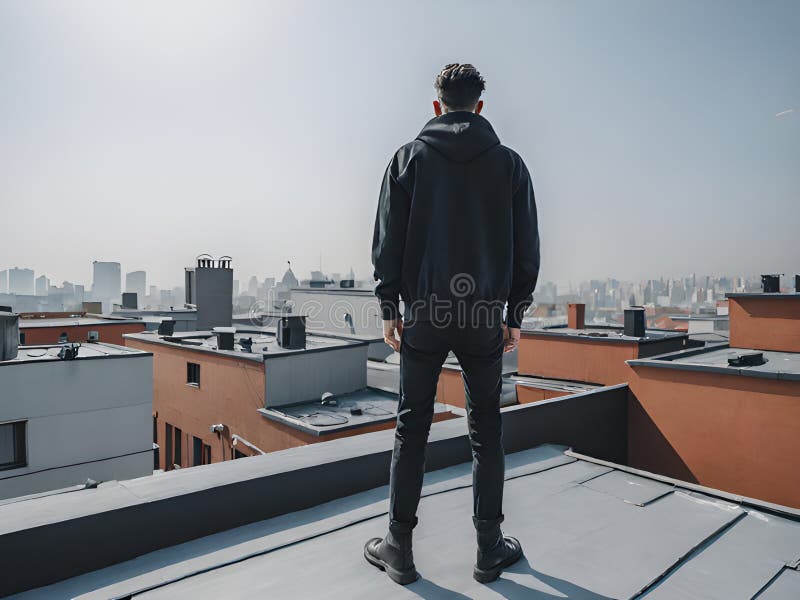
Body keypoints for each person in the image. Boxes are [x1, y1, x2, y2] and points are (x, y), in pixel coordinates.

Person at [364, 63, 540, 585]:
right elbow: (527, 246)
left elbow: (387, 240)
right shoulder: (510, 165)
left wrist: (389, 307)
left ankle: (398, 547)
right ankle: (489, 549)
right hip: (484, 314)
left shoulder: (408, 159)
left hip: (424, 312)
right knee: (486, 428)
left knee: (411, 425)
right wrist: (515, 313)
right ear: (479, 106)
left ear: (437, 105)